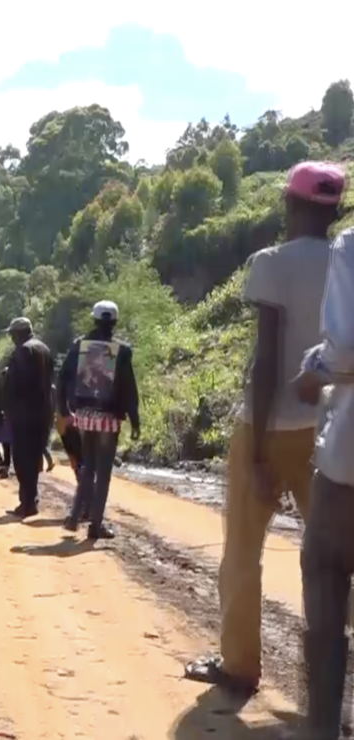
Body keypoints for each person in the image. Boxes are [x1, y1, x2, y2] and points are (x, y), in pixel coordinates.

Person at [185, 161, 345, 696]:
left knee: (243, 551)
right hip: (328, 430)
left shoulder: (271, 263)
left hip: (269, 425)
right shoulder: (346, 262)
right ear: (335, 209)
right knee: (333, 548)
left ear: (291, 205)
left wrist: (254, 454)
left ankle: (239, 666)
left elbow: (267, 356)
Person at [294, 220, 354, 739]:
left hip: (346, 468)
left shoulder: (352, 246)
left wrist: (314, 367)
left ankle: (322, 729)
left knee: (324, 574)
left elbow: (346, 348)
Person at [56, 300, 140, 541]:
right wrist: (134, 420)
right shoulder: (122, 350)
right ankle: (95, 525)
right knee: (103, 473)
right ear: (114, 322)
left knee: (87, 467)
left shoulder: (78, 347)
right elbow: (128, 388)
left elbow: (62, 380)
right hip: (109, 419)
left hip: (84, 416)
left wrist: (63, 410)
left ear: (93, 320)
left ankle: (74, 516)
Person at [3, 317, 53, 518]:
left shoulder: (23, 351)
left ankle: (27, 503)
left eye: (12, 334)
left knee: (22, 459)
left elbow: (17, 384)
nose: (12, 338)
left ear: (19, 333)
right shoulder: (44, 348)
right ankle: (31, 500)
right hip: (44, 411)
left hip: (25, 413)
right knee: (33, 457)